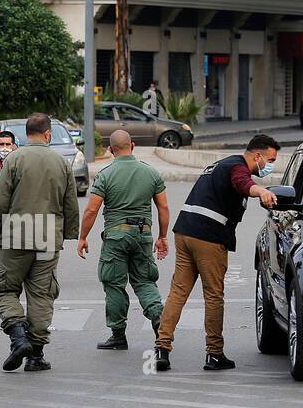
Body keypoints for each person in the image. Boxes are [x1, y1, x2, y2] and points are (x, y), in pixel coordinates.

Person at [154, 133, 280, 372]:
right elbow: (244, 183)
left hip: (184, 232)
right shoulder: (237, 167)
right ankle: (214, 353)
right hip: (208, 237)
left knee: (178, 292)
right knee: (213, 295)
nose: (270, 165)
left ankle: (161, 348)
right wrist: (260, 191)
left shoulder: (220, 165)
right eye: (270, 160)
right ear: (257, 155)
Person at [0, 113, 80, 372]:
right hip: (48, 239)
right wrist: (69, 233)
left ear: (26, 134)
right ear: (48, 134)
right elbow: (70, 202)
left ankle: (18, 337)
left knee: (4, 289)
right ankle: (36, 355)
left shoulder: (14, 159)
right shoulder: (61, 162)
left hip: (15, 237)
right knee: (42, 294)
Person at [77, 129, 169, 350]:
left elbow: (91, 210)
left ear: (110, 150)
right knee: (145, 281)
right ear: (133, 146)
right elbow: (163, 207)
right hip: (143, 234)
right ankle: (158, 317)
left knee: (114, 285)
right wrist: (162, 237)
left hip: (116, 236)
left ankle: (118, 336)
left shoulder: (105, 175)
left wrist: (83, 237)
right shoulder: (151, 173)